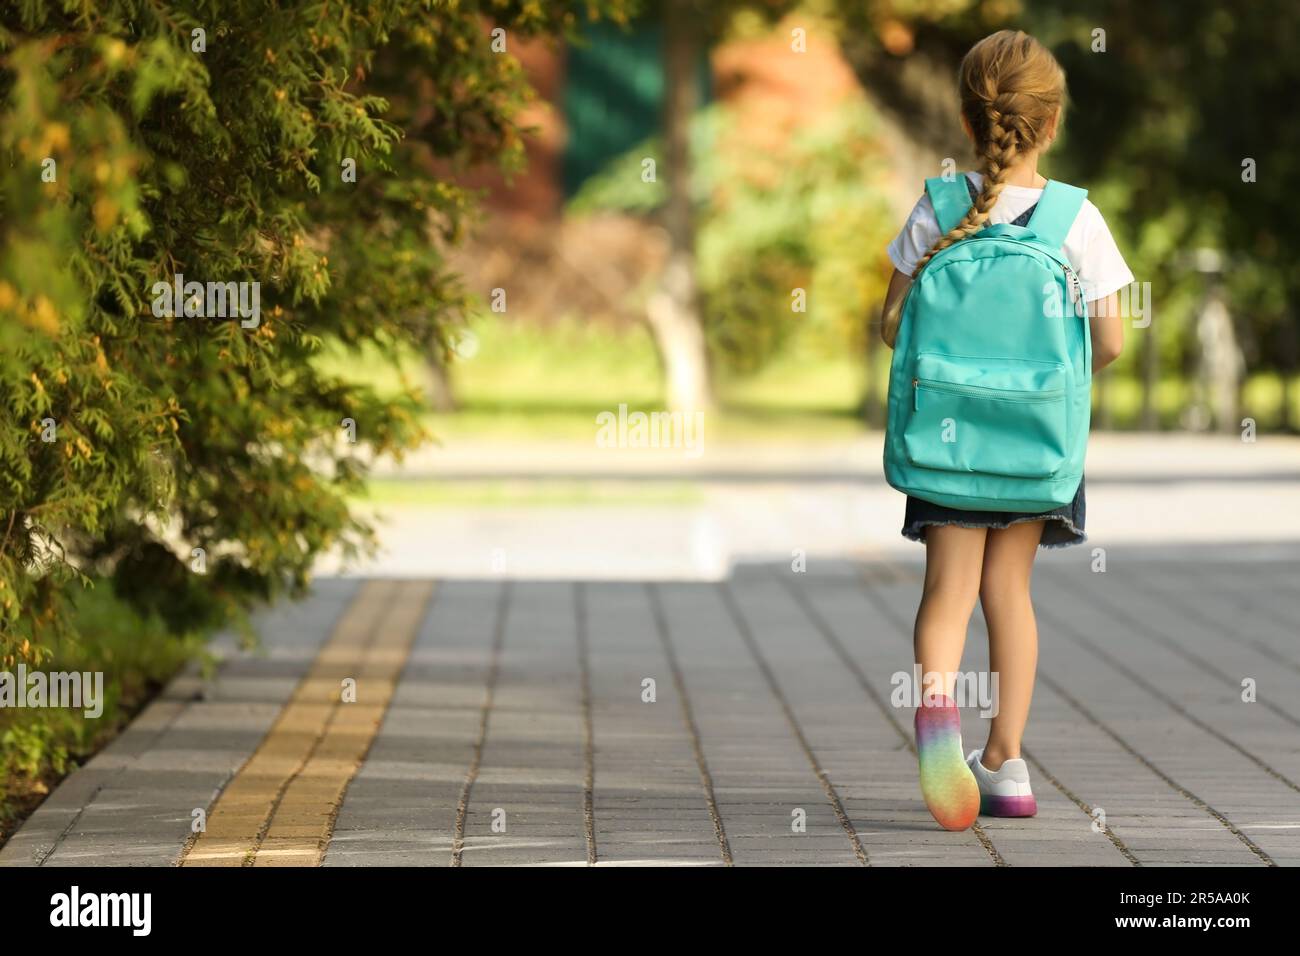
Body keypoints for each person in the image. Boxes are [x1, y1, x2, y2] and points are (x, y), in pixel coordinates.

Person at [879, 30, 1133, 831]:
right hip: (1033, 449)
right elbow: (1114, 338)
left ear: (967, 118)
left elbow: (892, 324)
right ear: (1050, 123)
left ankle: (936, 718)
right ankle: (1006, 763)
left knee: (947, 590)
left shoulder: (939, 205)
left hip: (946, 448)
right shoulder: (1074, 218)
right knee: (1009, 595)